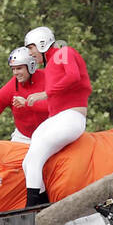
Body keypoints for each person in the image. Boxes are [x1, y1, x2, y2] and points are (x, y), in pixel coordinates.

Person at [21, 25, 91, 207]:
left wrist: (44, 93)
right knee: (27, 162)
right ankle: (42, 203)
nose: (30, 53)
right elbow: (53, 103)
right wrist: (30, 103)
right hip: (59, 118)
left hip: (71, 117)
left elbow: (73, 76)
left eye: (31, 48)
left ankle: (32, 208)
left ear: (42, 43)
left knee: (36, 155)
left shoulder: (64, 52)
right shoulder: (51, 65)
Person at [0, 46, 50, 144]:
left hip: (50, 133)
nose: (15, 73)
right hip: (23, 138)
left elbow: (59, 106)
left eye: (19, 68)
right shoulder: (8, 90)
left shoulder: (48, 77)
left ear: (31, 66)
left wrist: (27, 104)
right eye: (13, 69)